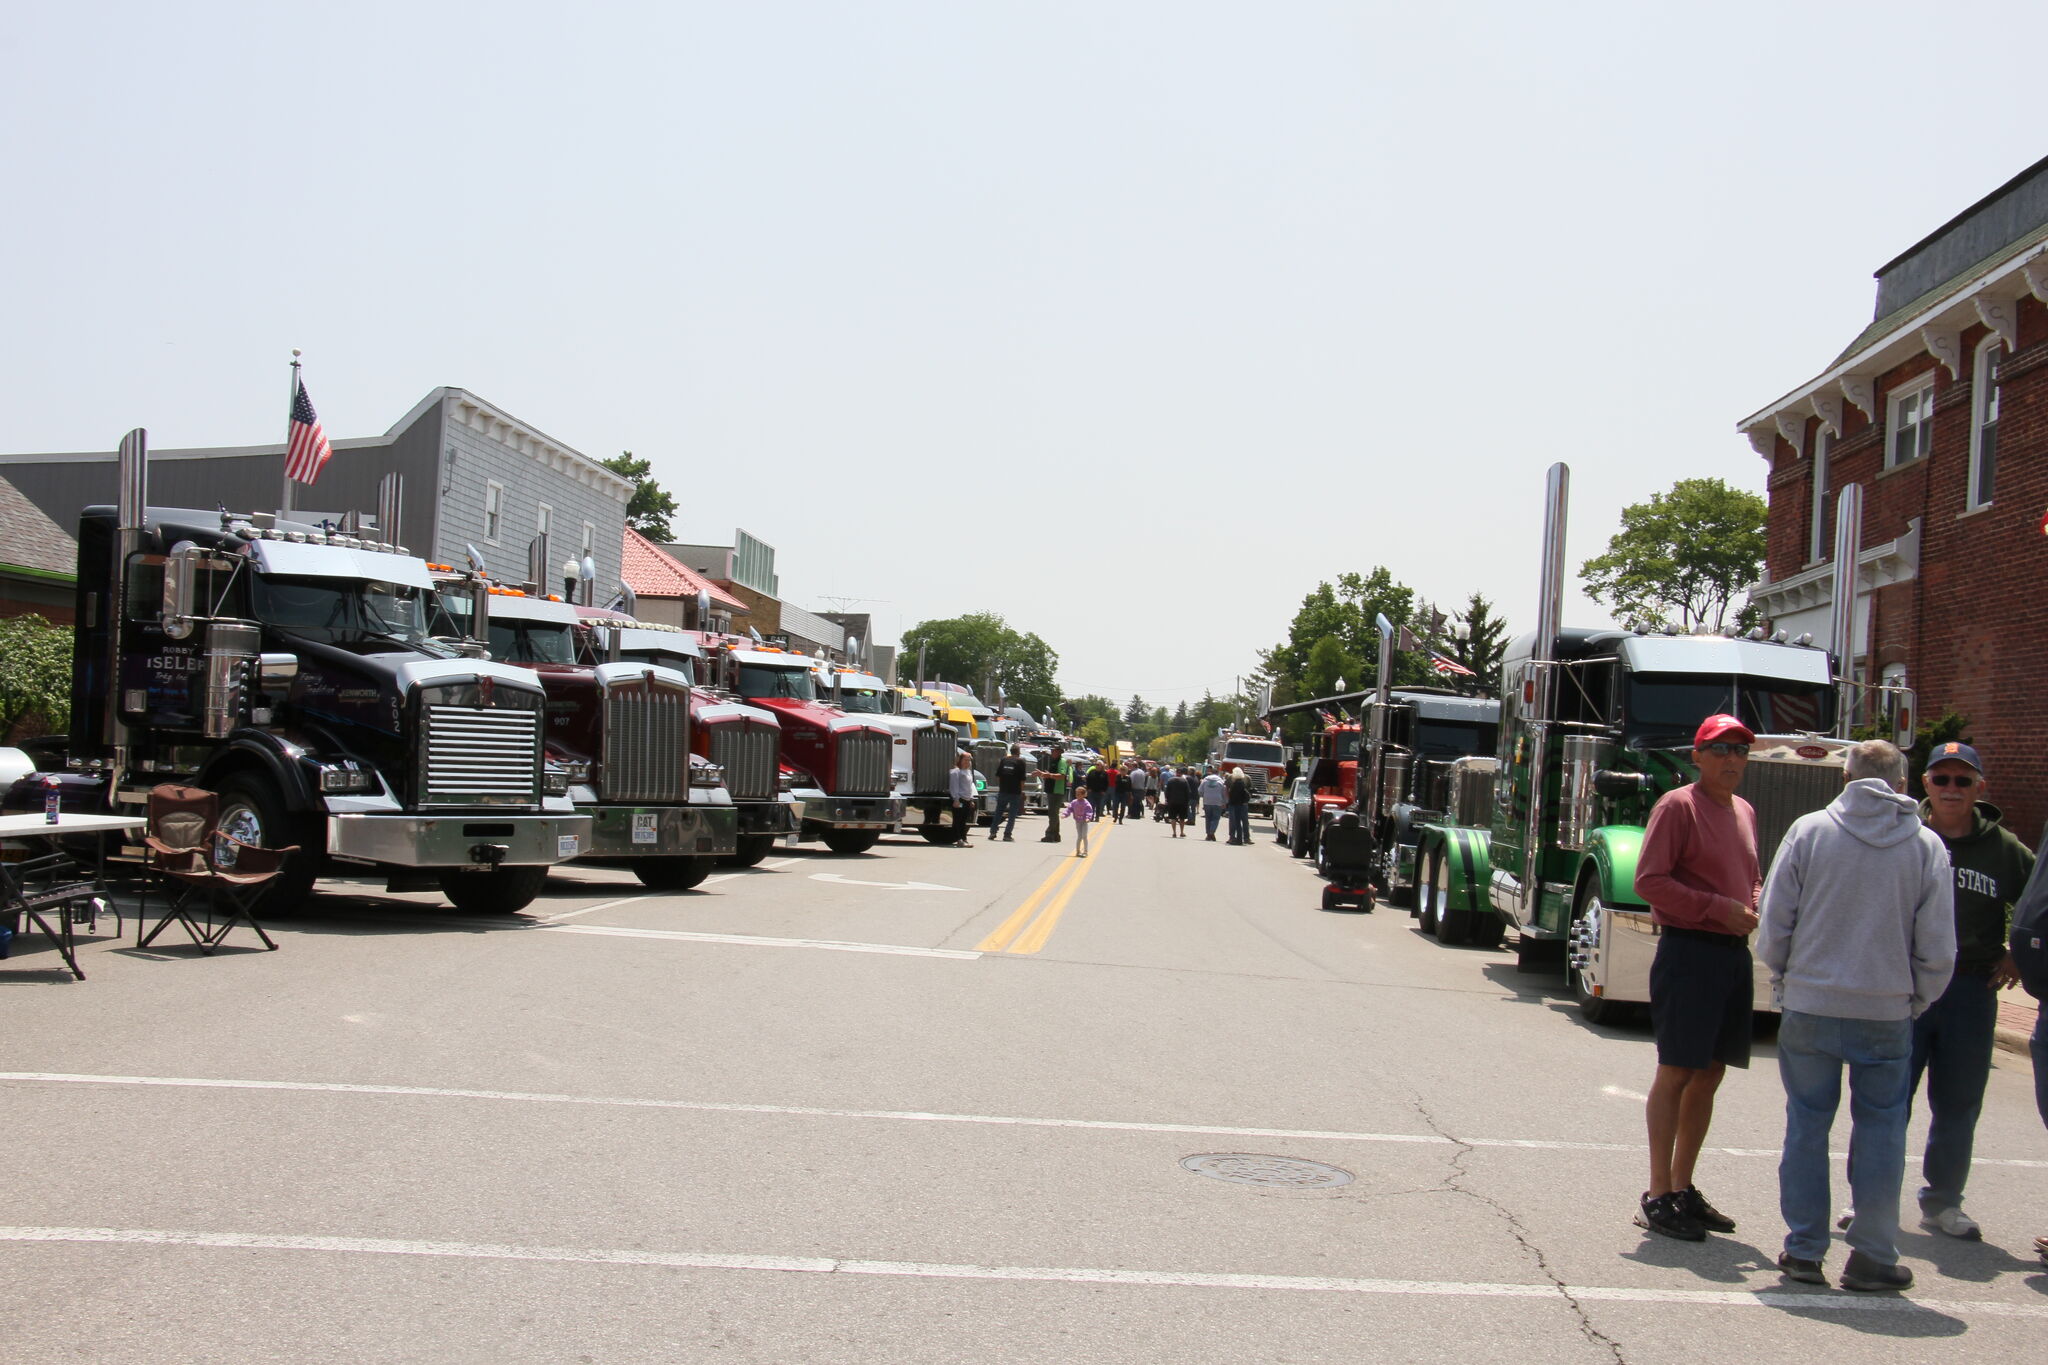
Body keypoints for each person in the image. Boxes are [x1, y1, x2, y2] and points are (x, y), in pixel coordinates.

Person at [1757, 739, 1955, 1291]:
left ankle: (1804, 1249)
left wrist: (1786, 978)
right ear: (1902, 785)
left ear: (1844, 778)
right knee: (1882, 1130)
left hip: (1811, 1002)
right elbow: (1938, 946)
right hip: (1885, 1008)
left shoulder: (1810, 831)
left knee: (1806, 1124)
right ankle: (1872, 1253)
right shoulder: (1925, 845)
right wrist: (1915, 998)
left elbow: (1774, 923)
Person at [1631, 714, 1763, 1243]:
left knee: (1710, 1071)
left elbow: (1751, 875)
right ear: (1698, 756)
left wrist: (1753, 902)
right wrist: (1717, 908)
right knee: (1677, 1071)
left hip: (1731, 956)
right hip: (1689, 951)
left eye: (1741, 750)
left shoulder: (1745, 810)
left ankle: (1683, 1187)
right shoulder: (1677, 806)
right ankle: (1657, 1194)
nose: (1732, 759)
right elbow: (1649, 881)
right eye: (1721, 749)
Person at [1900, 742, 2034, 1240]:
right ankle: (1869, 1195)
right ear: (1926, 784)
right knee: (1888, 1096)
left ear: (1980, 787)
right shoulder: (1904, 834)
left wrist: (2018, 950)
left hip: (1971, 988)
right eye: (1942, 779)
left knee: (1958, 1102)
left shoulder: (2004, 849)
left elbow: (2039, 900)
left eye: (1962, 780)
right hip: (1906, 986)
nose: (1951, 789)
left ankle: (1942, 1202)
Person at [991, 745, 1030, 843]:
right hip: (1015, 792)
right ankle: (1007, 835)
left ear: (1011, 751)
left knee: (998, 812)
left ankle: (993, 832)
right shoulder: (1021, 762)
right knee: (1012, 815)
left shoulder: (1004, 760)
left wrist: (1002, 786)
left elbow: (998, 776)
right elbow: (1022, 780)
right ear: (1018, 752)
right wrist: (1021, 791)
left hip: (1003, 790)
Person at [947, 752, 978, 847]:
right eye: (965, 760)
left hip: (967, 799)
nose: (967, 762)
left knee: (964, 821)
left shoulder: (968, 772)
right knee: (958, 819)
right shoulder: (956, 772)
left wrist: (971, 799)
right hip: (960, 800)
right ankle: (959, 839)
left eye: (969, 760)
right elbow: (954, 786)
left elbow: (970, 787)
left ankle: (964, 838)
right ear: (960, 760)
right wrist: (956, 799)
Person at [1037, 747, 1067, 843]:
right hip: (1052, 790)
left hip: (1057, 790)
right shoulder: (1054, 761)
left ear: (1059, 752)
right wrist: (1043, 774)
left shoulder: (1062, 761)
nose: (1052, 752)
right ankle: (1056, 835)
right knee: (1054, 813)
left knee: (1053, 813)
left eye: (1054, 751)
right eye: (1052, 750)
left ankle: (1049, 834)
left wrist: (1049, 775)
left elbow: (1062, 776)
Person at [1225, 767, 1252, 845]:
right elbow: (1249, 790)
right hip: (1242, 803)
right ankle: (1245, 838)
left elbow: (1226, 789)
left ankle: (1233, 837)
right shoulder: (1246, 778)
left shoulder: (1231, 778)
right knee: (1244, 821)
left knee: (1234, 821)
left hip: (1234, 803)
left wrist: (1228, 799)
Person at [1066, 789, 1096, 857]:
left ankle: (1085, 851)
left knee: (1084, 836)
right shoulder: (1074, 802)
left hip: (1084, 821)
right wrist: (1065, 814)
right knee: (1079, 836)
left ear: (1083, 795)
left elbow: (1089, 811)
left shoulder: (1086, 803)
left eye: (1079, 794)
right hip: (1078, 821)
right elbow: (1069, 809)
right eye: (1076, 794)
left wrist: (1088, 818)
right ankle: (1078, 851)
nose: (1077, 795)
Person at [1162, 767, 1191, 838]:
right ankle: (1181, 832)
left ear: (1176, 773)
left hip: (1172, 801)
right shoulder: (1184, 781)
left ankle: (1174, 832)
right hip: (1182, 802)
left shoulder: (1170, 780)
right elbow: (1188, 792)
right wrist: (1187, 801)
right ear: (1181, 774)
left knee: (1173, 818)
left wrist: (1167, 799)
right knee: (1182, 818)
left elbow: (1167, 791)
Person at [1199, 768, 1227, 841]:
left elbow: (1200, 791)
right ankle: (1212, 832)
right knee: (1216, 818)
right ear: (1218, 773)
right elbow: (1224, 793)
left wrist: (1204, 796)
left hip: (1207, 801)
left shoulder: (1205, 780)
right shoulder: (1221, 781)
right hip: (1217, 802)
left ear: (1211, 772)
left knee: (1208, 818)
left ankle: (1208, 834)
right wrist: (1224, 802)